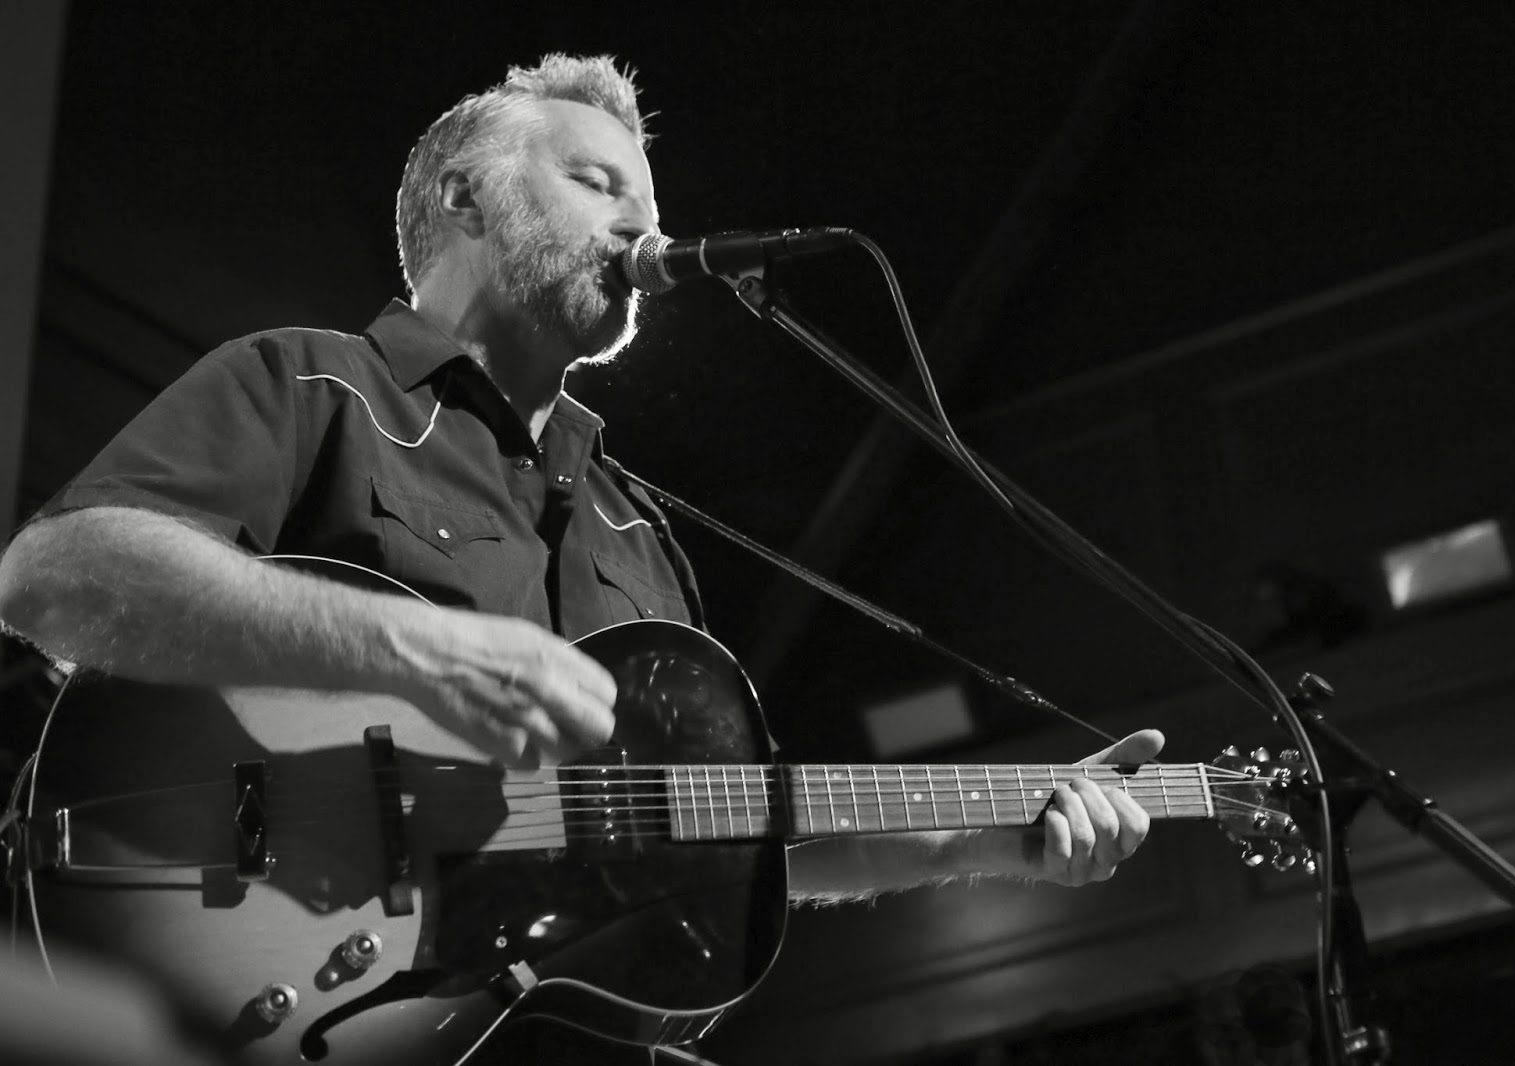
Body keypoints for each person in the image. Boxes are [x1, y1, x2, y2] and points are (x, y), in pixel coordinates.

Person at [0, 54, 1163, 1060]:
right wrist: (419, 650)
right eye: (598, 184)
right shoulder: (313, 386)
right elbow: (54, 578)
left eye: (647, 202)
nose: (639, 230)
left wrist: (980, 840)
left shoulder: (635, 529)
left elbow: (690, 840)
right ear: (464, 196)